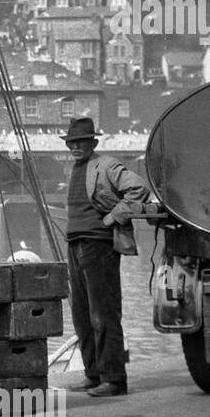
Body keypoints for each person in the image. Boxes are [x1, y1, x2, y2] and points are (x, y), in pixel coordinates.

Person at [62, 116, 150, 397]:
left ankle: (115, 379)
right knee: (81, 315)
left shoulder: (106, 164)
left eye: (81, 142)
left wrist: (114, 217)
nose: (76, 147)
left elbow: (139, 189)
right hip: (75, 245)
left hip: (98, 247)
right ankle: (94, 374)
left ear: (93, 143)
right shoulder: (76, 169)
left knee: (104, 314)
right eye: (72, 143)